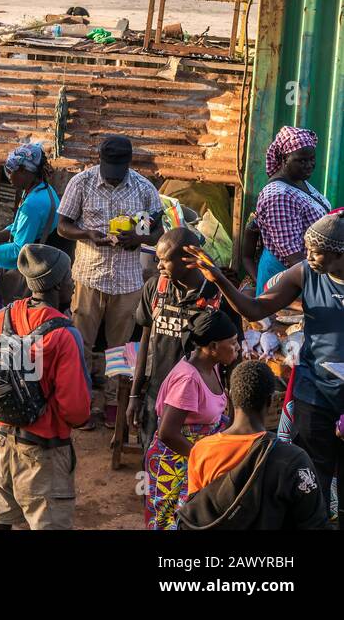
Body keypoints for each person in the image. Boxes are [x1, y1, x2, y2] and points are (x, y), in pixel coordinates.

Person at [186, 211, 344, 511]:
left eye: (317, 253)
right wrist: (219, 278)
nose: (308, 257)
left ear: (339, 255)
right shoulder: (304, 272)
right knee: (313, 477)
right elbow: (255, 310)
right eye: (307, 249)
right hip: (314, 392)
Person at [56, 134, 163, 429]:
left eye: (118, 169)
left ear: (128, 164)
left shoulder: (143, 189)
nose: (113, 176)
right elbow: (63, 226)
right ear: (100, 162)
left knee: (119, 347)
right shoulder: (82, 183)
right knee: (82, 343)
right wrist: (87, 234)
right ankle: (84, 402)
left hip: (127, 280)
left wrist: (138, 239)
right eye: (108, 169)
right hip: (90, 275)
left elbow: (157, 232)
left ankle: (114, 402)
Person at [0, 244, 91, 530]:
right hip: (44, 453)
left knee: (0, 520)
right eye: (69, 278)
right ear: (56, 284)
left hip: (3, 443)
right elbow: (76, 411)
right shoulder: (65, 335)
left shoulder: (0, 319)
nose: (73, 283)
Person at [180, 360, 330, 530]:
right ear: (271, 400)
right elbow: (315, 523)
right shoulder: (294, 459)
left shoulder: (201, 450)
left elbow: (199, 514)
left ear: (230, 396)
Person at [142, 308, 240, 530]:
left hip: (194, 458)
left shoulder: (211, 366)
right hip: (175, 463)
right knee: (170, 522)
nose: (238, 347)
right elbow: (168, 433)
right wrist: (203, 459)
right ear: (213, 347)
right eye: (233, 342)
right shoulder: (188, 380)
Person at [127, 228, 224, 445]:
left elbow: (232, 355)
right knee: (153, 462)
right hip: (157, 395)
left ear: (188, 260)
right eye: (157, 259)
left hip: (198, 406)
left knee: (196, 466)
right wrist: (135, 396)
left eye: (164, 260)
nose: (158, 266)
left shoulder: (216, 296)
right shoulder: (156, 288)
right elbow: (145, 340)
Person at [0, 142, 61, 277]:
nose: (9, 176)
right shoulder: (42, 189)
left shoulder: (32, 205)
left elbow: (18, 250)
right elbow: (17, 227)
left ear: (23, 170)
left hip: (38, 268)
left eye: (11, 171)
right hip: (46, 259)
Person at [252, 126, 328, 293]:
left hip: (305, 272)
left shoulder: (298, 180)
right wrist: (325, 285)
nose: (309, 165)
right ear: (284, 158)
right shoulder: (278, 195)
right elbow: (292, 255)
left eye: (312, 158)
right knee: (278, 319)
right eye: (301, 160)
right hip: (286, 279)